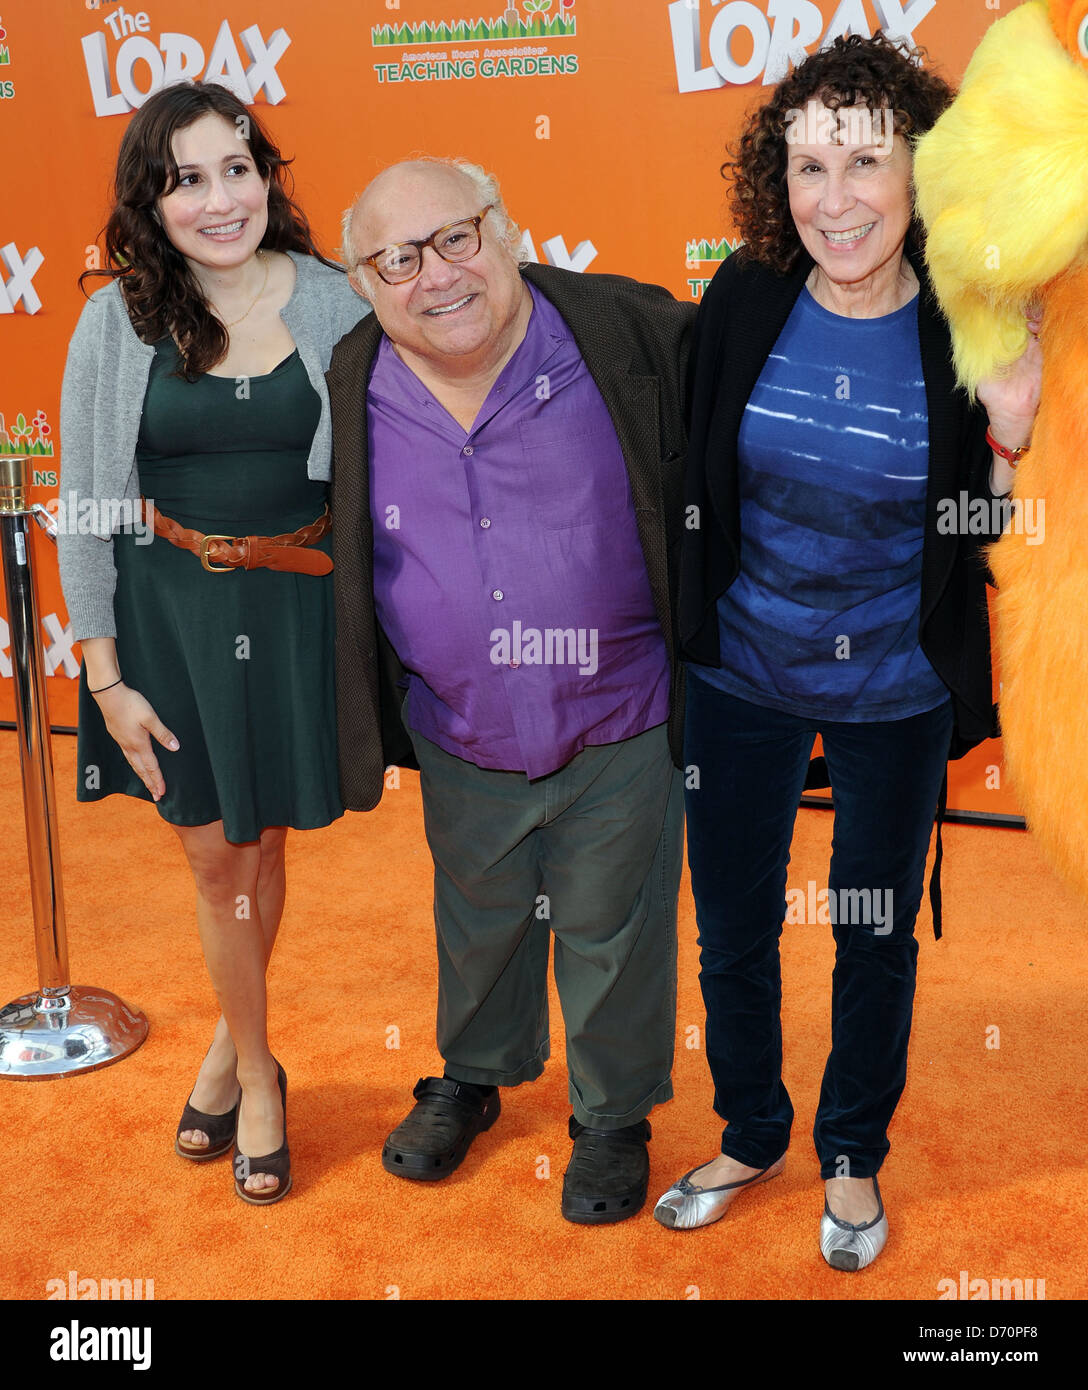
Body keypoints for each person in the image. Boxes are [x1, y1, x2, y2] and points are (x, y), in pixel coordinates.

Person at [653, 35, 1042, 1267]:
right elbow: (694, 478)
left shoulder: (964, 316)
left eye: (865, 161)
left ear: (921, 170)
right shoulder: (745, 294)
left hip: (892, 685)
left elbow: (985, 530)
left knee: (870, 930)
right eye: (808, 164)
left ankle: (849, 1154)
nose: (834, 201)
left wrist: (1015, 432)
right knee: (729, 923)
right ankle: (752, 1128)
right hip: (738, 674)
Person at [331, 157, 695, 1224]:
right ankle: (473, 1075)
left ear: (507, 227)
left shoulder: (627, 336)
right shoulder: (347, 379)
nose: (434, 276)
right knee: (478, 913)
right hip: (457, 725)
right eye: (395, 259)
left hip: (619, 714)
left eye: (455, 237)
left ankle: (612, 1117)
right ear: (357, 282)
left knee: (611, 927)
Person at [57, 80, 369, 1206]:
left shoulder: (341, 299)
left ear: (266, 176)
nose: (219, 197)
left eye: (235, 168)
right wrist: (103, 672)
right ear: (152, 198)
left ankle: (231, 1050)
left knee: (263, 841)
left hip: (293, 609)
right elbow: (85, 501)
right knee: (207, 850)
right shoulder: (119, 318)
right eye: (186, 179)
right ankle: (260, 1069)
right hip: (168, 618)